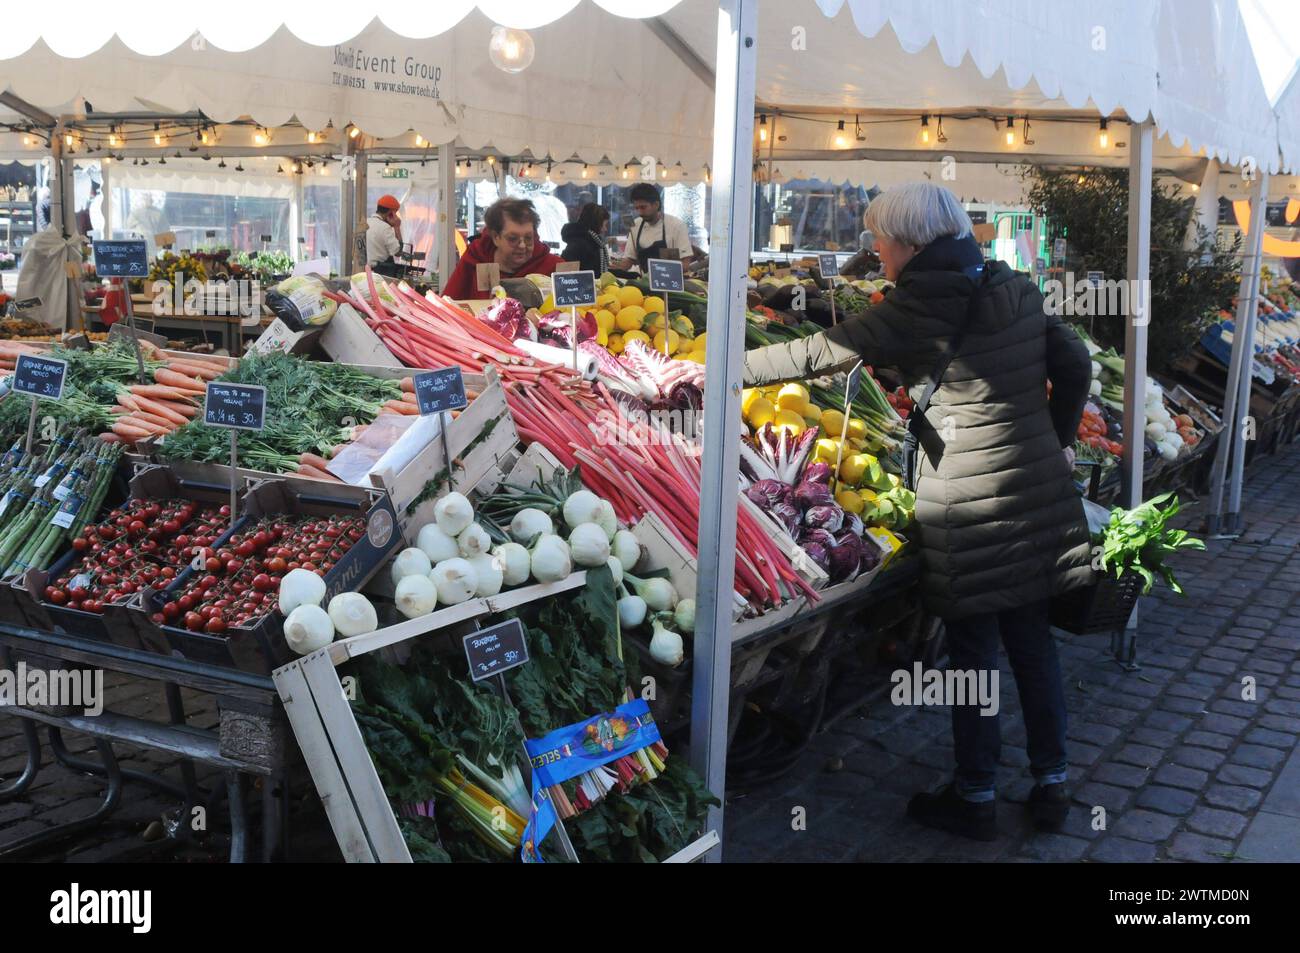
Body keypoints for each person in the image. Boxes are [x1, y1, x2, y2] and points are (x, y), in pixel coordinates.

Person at [742, 182, 1094, 842]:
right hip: (1038, 490)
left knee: (974, 655)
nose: (876, 252)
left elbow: (816, 353)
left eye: (880, 240)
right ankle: (1052, 784)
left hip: (968, 508)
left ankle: (976, 796)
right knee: (1032, 641)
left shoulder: (913, 307)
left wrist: (721, 368)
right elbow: (1072, 359)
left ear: (908, 242)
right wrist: (1059, 436)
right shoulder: (1010, 284)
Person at [444, 197, 562, 300]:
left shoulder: (553, 267)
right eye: (513, 238)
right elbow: (447, 305)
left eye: (528, 238)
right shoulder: (475, 259)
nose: (522, 245)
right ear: (496, 237)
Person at [614, 183, 693, 271]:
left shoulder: (677, 226)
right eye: (637, 208)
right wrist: (615, 266)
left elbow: (685, 263)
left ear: (656, 204)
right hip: (643, 282)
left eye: (643, 207)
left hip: (670, 281)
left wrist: (663, 270)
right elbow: (630, 258)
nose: (640, 212)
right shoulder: (636, 224)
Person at [560, 203, 611, 274]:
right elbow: (565, 275)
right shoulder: (578, 244)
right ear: (596, 223)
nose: (605, 229)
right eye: (604, 225)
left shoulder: (594, 242)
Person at [365, 195, 404, 268]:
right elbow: (398, 252)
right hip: (379, 272)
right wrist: (397, 227)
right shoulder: (385, 228)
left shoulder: (365, 222)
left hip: (363, 270)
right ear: (391, 213)